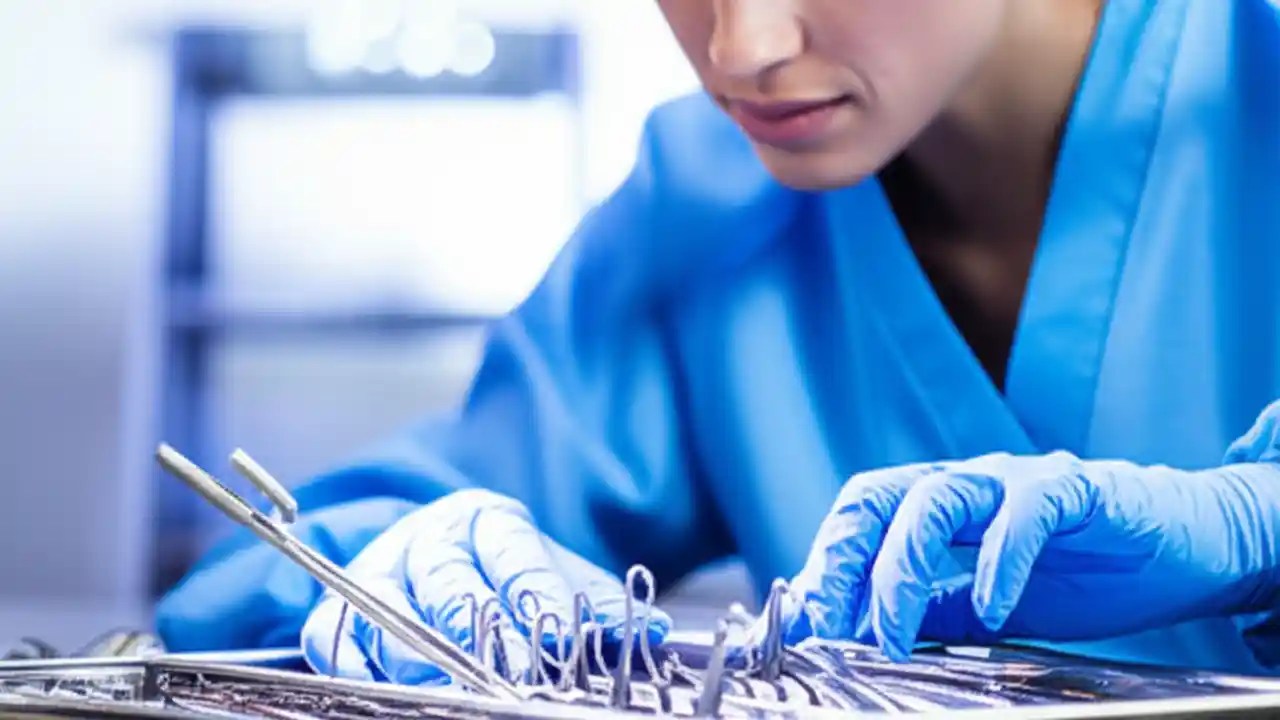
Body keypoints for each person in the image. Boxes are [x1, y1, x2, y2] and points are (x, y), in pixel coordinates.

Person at [156, 0, 1280, 685]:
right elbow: (275, 553)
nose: (741, 46)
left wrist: (1259, 530)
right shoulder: (699, 206)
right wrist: (386, 566)